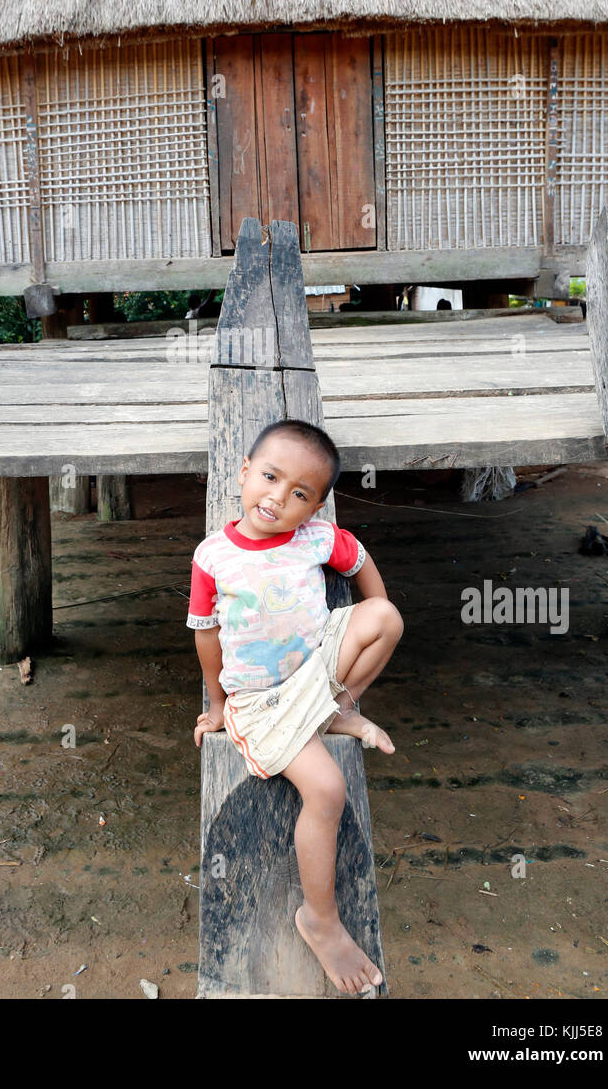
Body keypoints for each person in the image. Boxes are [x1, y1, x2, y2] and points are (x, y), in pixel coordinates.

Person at [186, 419, 403, 994]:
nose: (278, 497)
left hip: (316, 676)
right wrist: (216, 705)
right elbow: (206, 636)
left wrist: (370, 605)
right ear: (244, 472)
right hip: (260, 702)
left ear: (316, 508)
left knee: (385, 618)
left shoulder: (315, 538)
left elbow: (357, 560)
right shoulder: (212, 557)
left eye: (300, 493)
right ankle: (320, 919)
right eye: (270, 477)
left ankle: (338, 709)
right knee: (327, 789)